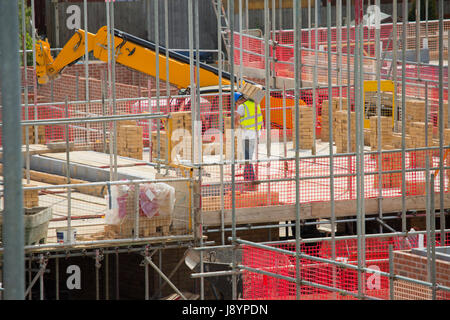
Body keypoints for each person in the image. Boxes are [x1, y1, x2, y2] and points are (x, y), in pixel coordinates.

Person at [234, 92, 263, 191]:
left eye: (236, 102)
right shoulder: (255, 103)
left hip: (247, 134)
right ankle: (246, 175)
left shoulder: (242, 107)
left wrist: (237, 126)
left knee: (247, 157)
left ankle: (251, 177)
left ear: (238, 100)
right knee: (249, 155)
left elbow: (236, 119)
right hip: (256, 133)